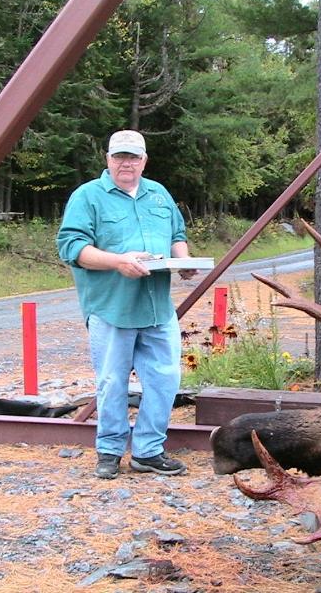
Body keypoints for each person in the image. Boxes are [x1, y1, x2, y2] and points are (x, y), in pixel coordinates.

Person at [57, 129, 195, 479]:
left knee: (165, 380)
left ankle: (148, 451)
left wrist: (185, 261)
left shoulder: (159, 195)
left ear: (144, 160)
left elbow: (177, 235)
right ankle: (109, 450)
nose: (126, 163)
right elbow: (71, 248)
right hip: (111, 307)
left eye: (133, 157)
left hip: (157, 308)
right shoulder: (88, 196)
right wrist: (117, 261)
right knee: (112, 382)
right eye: (119, 157)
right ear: (108, 159)